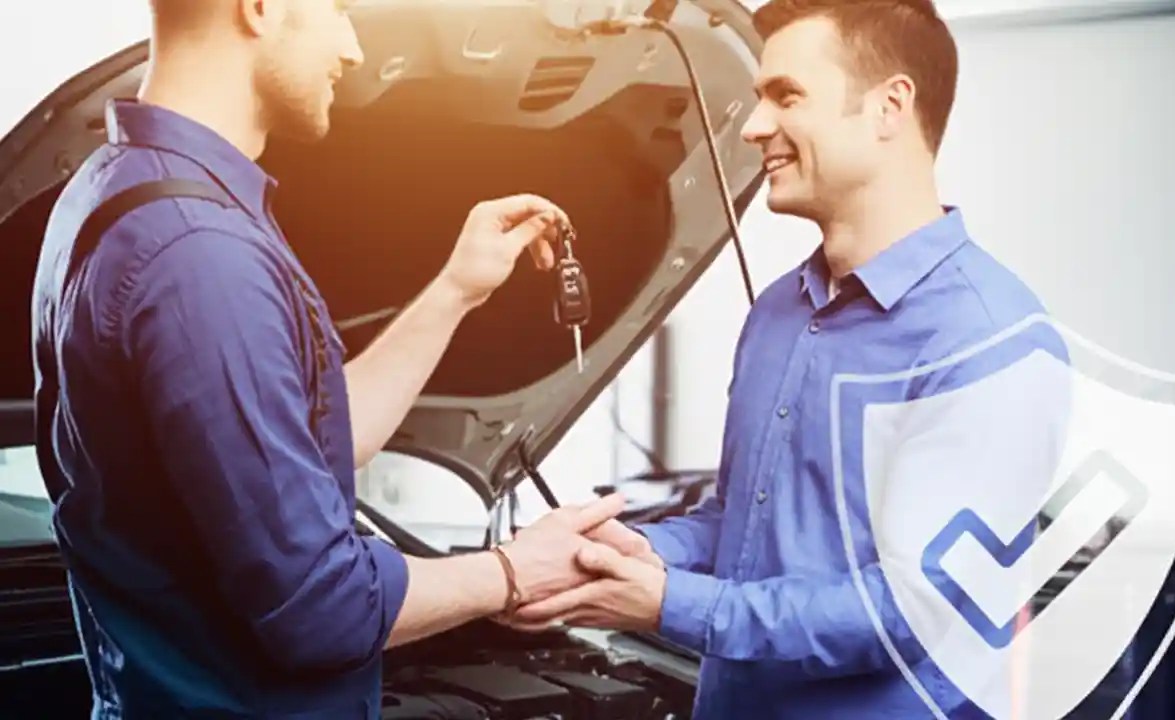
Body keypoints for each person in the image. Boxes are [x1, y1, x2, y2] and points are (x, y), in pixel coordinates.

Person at [30, 1, 641, 717]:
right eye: (340, 8)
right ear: (259, 8)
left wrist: (456, 291)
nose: (353, 48)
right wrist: (514, 571)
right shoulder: (199, 254)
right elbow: (320, 609)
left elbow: (304, 445)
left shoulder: (113, 193)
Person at [508, 1, 1071, 718]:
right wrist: (625, 552)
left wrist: (668, 602)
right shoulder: (779, 312)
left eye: (787, 96)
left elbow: (908, 611)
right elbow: (744, 526)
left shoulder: (989, 339)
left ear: (890, 106)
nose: (753, 126)